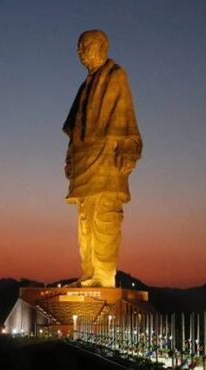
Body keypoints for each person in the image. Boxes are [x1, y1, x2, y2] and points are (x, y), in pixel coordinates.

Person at [62, 30, 142, 288]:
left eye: (84, 45)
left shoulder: (116, 75)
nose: (80, 51)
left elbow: (126, 117)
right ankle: (88, 273)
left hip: (107, 158)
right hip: (85, 159)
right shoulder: (84, 85)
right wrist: (70, 157)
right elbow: (74, 129)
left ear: (101, 46)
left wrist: (128, 149)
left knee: (105, 215)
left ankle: (104, 274)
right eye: (78, 47)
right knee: (85, 218)